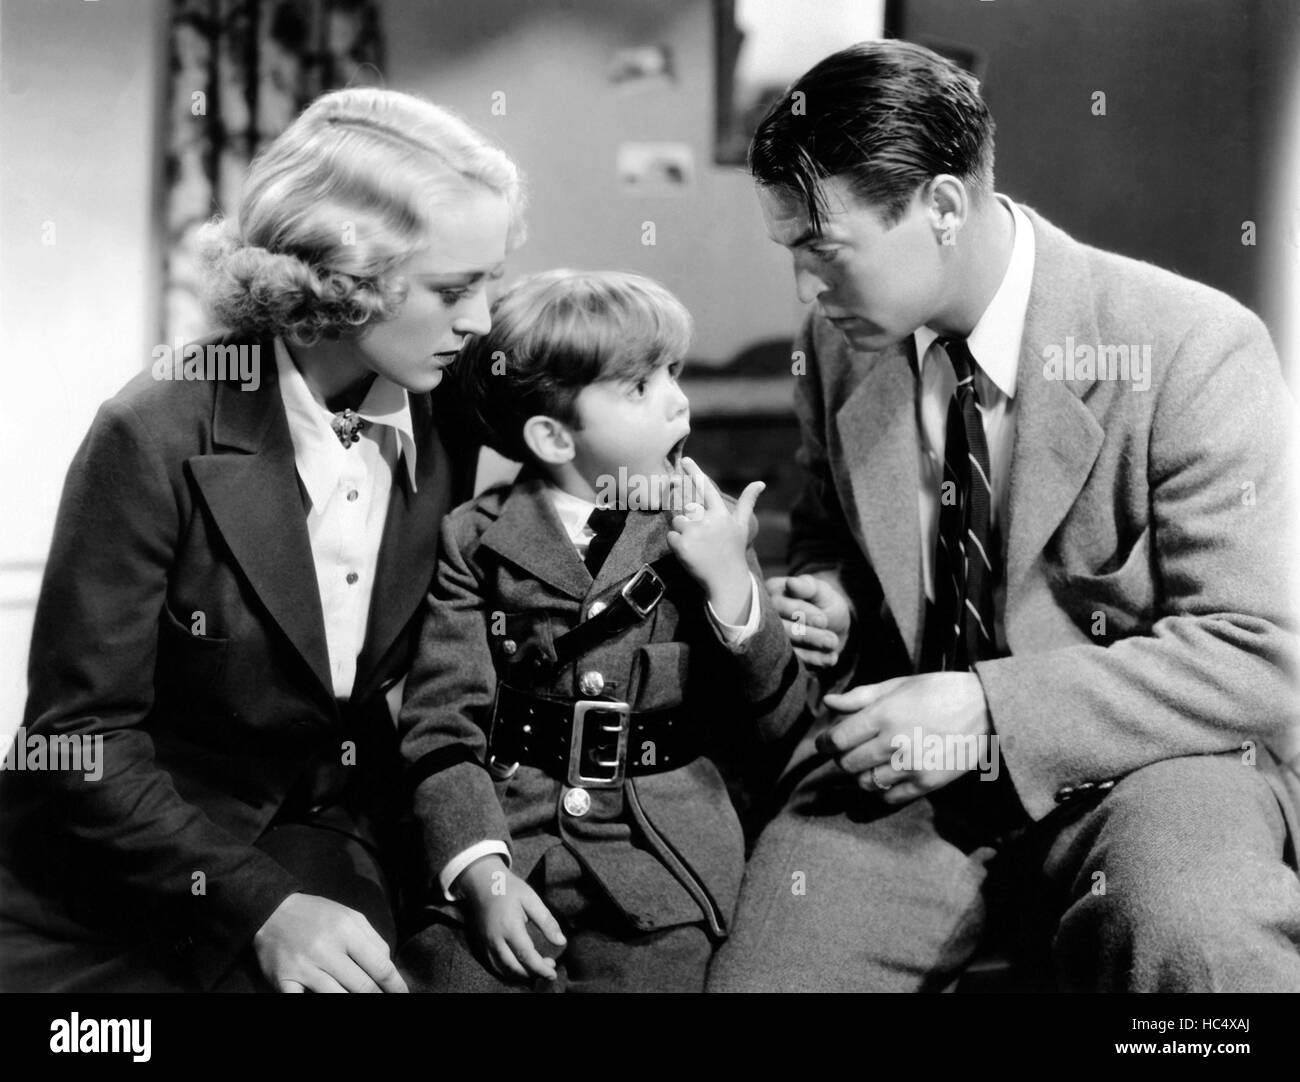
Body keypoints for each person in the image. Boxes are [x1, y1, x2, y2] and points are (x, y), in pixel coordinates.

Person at [707, 40, 1300, 992]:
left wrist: (987, 710)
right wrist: (835, 598)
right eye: (792, 256)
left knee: (1200, 948)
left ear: (942, 207)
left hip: (1151, 768)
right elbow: (831, 530)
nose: (806, 293)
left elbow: (1256, 655)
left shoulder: (1194, 346)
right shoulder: (838, 347)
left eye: (824, 252)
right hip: (909, 772)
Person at [0, 88, 523, 992]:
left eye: (492, 281)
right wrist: (263, 907)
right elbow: (78, 741)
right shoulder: (151, 431)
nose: (481, 318)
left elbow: (607, 417)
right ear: (345, 275)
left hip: (331, 820)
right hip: (137, 850)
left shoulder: (457, 389)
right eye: (453, 288)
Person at [396, 270, 810, 992]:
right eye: (641, 387)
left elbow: (778, 722)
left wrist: (732, 587)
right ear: (553, 435)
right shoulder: (476, 539)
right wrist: (482, 873)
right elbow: (440, 728)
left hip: (659, 874)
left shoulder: (704, 525)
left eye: (674, 373)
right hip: (510, 851)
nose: (680, 402)